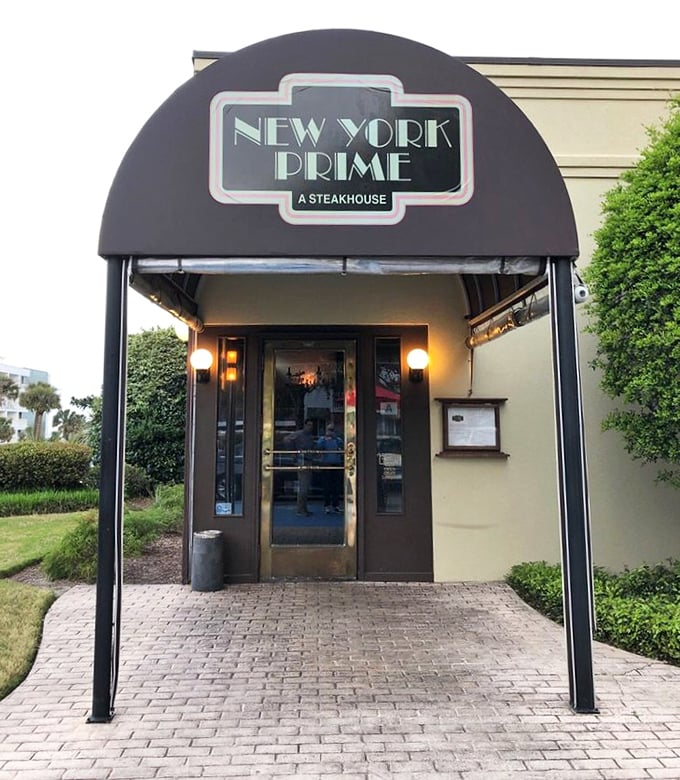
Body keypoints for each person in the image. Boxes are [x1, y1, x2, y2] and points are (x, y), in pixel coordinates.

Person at [284, 419, 316, 516]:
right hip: (302, 460)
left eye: (312, 425)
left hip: (309, 461)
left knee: (306, 486)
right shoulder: (298, 434)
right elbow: (286, 440)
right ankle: (300, 510)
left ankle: (304, 508)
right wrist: (292, 452)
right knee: (303, 486)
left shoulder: (310, 437)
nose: (310, 427)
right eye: (309, 425)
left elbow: (313, 447)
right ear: (305, 425)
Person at [316, 423, 344, 513]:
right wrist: (325, 439)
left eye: (332, 430)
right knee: (326, 486)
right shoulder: (322, 439)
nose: (331, 432)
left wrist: (335, 438)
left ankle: (336, 505)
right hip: (326, 463)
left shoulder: (338, 440)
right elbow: (318, 447)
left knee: (336, 486)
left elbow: (342, 447)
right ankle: (327, 505)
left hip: (336, 463)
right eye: (329, 430)